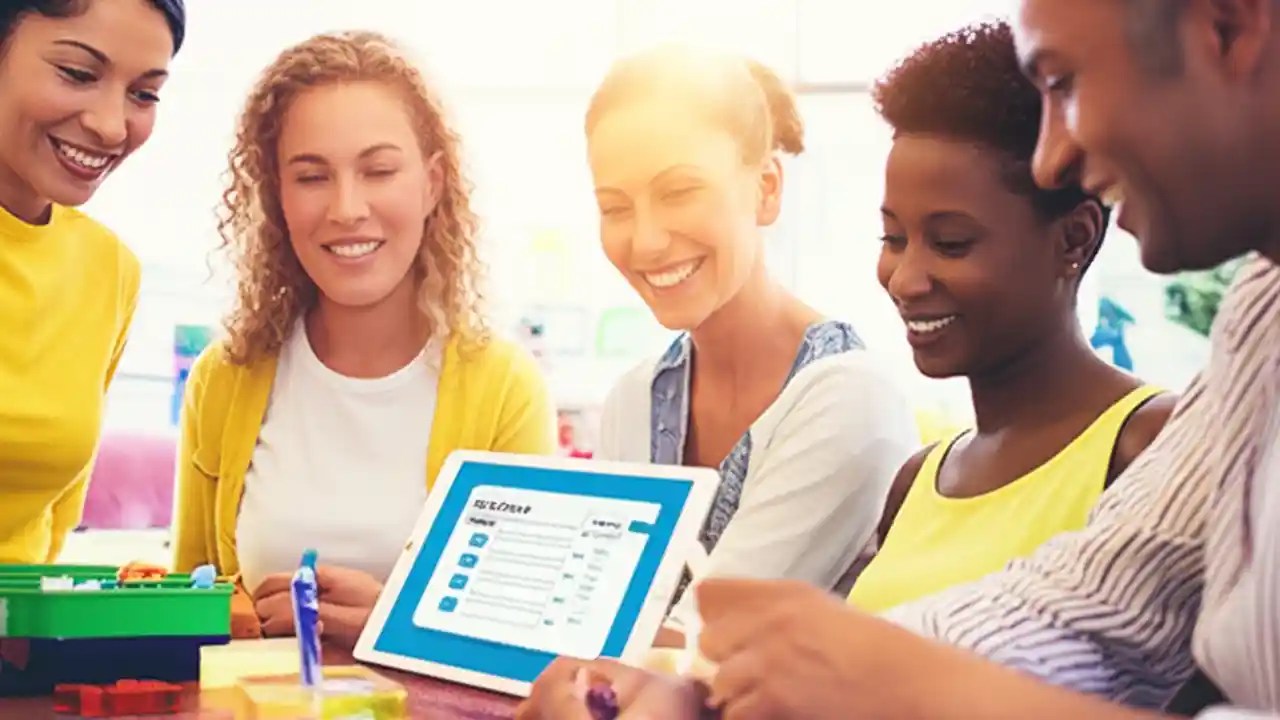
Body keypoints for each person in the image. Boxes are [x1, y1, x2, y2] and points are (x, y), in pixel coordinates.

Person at [518, 0, 1280, 716]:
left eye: (1065, 83)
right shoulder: (1259, 315)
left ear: (1227, 26)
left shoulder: (855, 393)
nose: (1057, 153)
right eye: (892, 237)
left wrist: (874, 672)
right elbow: (1090, 605)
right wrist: (718, 683)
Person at [170, 31, 556, 648]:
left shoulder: (504, 386)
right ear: (277, 196)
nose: (347, 208)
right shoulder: (226, 377)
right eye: (312, 176)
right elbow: (184, 607)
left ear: (431, 184)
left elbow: (532, 639)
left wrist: (396, 625)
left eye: (378, 170)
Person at [587, 44, 917, 641]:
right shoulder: (633, 401)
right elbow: (595, 609)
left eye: (679, 192)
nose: (645, 242)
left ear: (766, 188)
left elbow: (701, 641)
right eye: (615, 207)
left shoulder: (850, 400)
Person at [847, 21, 1174, 614]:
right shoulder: (917, 481)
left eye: (950, 243)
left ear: (1074, 239)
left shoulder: (1151, 447)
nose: (905, 278)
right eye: (893, 237)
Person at [0, 0, 185, 563]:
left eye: (144, 94)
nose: (111, 125)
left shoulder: (108, 269)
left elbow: (55, 519)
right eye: (78, 74)